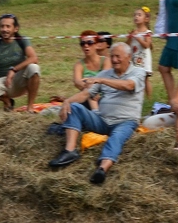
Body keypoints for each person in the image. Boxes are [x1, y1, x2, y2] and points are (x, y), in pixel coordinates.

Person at [49, 43, 145, 185]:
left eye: (118, 56)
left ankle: (102, 169)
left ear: (129, 57)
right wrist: (67, 102)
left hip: (125, 121)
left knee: (116, 138)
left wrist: (101, 80)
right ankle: (69, 151)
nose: (114, 60)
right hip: (102, 119)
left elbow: (128, 85)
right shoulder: (105, 74)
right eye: (112, 56)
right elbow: (86, 94)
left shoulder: (138, 72)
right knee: (74, 107)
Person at [73, 30, 106, 110]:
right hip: (88, 98)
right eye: (82, 43)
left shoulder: (106, 61)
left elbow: (107, 80)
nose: (86, 46)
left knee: (89, 88)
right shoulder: (79, 65)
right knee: (89, 89)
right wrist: (91, 87)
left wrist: (88, 82)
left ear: (97, 45)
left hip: (106, 98)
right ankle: (96, 114)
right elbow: (77, 82)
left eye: (90, 43)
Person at [128, 7, 153, 99]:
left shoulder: (147, 32)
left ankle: (149, 97)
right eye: (135, 15)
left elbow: (146, 45)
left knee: (145, 78)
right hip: (135, 58)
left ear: (146, 18)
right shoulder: (134, 32)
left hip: (144, 59)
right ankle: (138, 96)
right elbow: (127, 46)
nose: (136, 17)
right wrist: (130, 37)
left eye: (139, 15)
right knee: (136, 77)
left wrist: (138, 37)